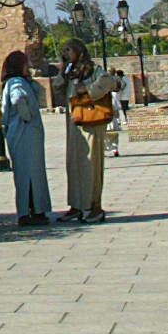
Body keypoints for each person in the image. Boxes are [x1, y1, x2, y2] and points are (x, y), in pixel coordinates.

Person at [60, 38, 112, 222]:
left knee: (91, 165)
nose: (66, 54)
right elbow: (57, 88)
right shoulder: (69, 71)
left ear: (79, 52)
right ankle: (76, 205)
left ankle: (94, 207)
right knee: (74, 164)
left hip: (91, 123)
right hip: (75, 123)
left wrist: (87, 90)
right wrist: (62, 72)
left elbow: (108, 82)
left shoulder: (94, 70)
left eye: (69, 50)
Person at [0, 51, 53, 226]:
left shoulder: (19, 81)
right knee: (30, 173)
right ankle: (33, 210)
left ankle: (31, 209)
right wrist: (27, 117)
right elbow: (19, 99)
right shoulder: (16, 83)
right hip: (25, 134)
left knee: (26, 173)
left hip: (22, 135)